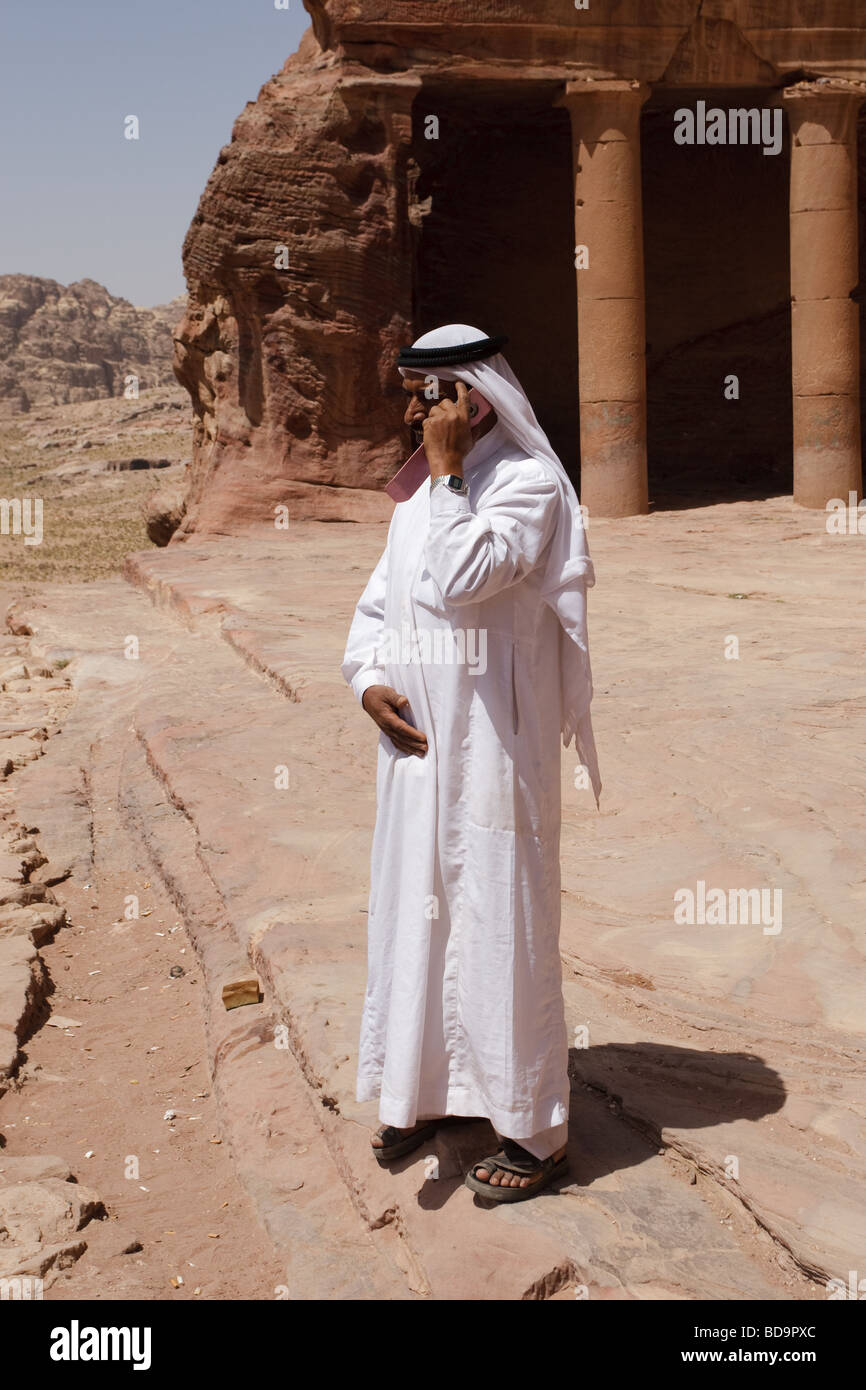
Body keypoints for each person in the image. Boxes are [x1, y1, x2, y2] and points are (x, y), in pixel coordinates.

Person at [341, 323, 601, 1202]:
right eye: (414, 393)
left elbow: (464, 579)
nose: (419, 409)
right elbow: (381, 605)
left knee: (500, 923)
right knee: (419, 916)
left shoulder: (526, 486)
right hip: (417, 753)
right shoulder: (419, 496)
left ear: (476, 395)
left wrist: (449, 470)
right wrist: (370, 682)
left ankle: (535, 1129)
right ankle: (429, 1092)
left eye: (435, 393)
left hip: (495, 750)